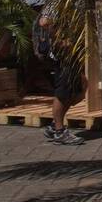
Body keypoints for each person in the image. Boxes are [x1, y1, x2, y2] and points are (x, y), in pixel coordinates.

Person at [33, 8, 85, 145]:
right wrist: (59, 38)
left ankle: (55, 124)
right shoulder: (55, 2)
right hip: (59, 55)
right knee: (62, 93)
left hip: (71, 55)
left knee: (81, 89)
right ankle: (59, 131)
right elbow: (43, 21)